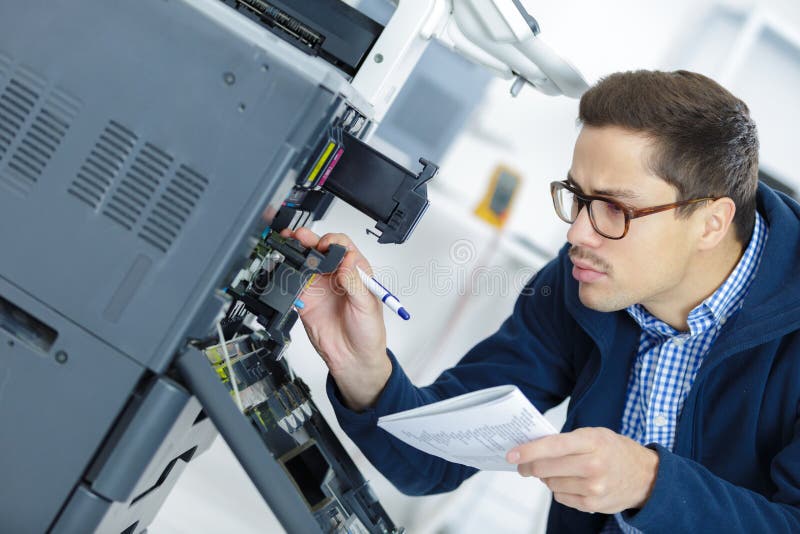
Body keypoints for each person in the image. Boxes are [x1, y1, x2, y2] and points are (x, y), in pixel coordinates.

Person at [282, 70, 800, 532]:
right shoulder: (578, 286)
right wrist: (362, 368)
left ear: (711, 223)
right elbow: (433, 462)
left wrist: (652, 486)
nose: (577, 232)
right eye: (576, 197)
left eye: (615, 209)